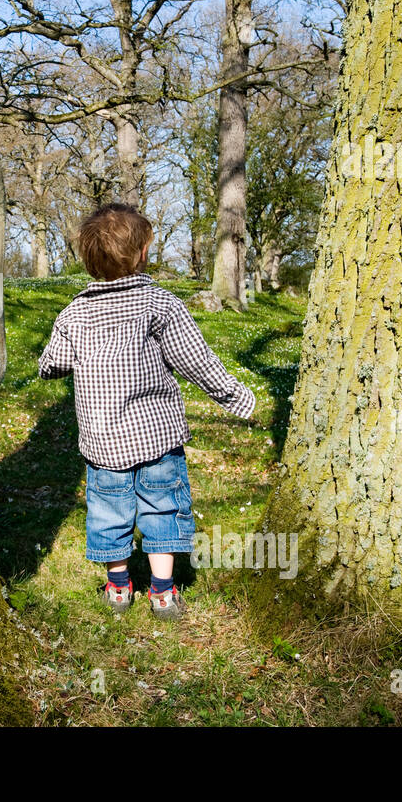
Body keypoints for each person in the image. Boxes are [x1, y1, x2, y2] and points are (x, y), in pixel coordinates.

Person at [37, 203, 255, 620]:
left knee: (108, 512)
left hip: (103, 444)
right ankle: (163, 593)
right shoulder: (159, 304)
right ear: (141, 254)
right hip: (157, 438)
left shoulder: (75, 312)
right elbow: (197, 361)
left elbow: (50, 364)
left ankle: (118, 589)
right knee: (163, 509)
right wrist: (235, 397)